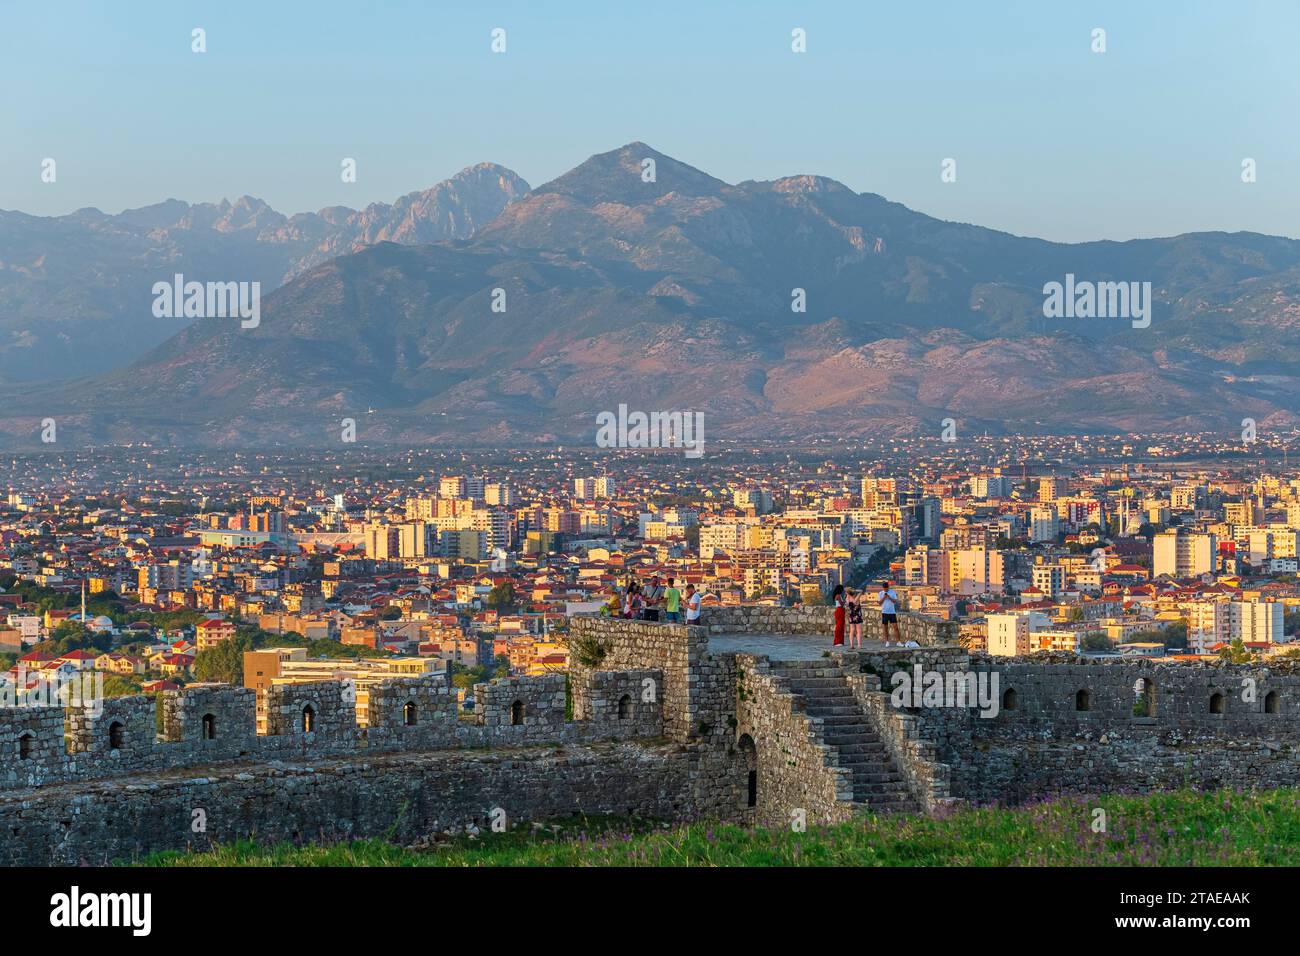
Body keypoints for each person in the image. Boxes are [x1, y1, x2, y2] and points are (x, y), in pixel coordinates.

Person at [878, 579, 902, 645]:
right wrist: (884, 598)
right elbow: (879, 603)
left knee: (895, 627)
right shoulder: (880, 593)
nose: (886, 590)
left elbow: (895, 601)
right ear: (883, 588)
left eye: (887, 588)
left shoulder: (892, 592)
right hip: (884, 612)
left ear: (888, 587)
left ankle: (898, 642)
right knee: (885, 628)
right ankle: (887, 641)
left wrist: (889, 597)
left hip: (892, 612)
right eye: (884, 589)